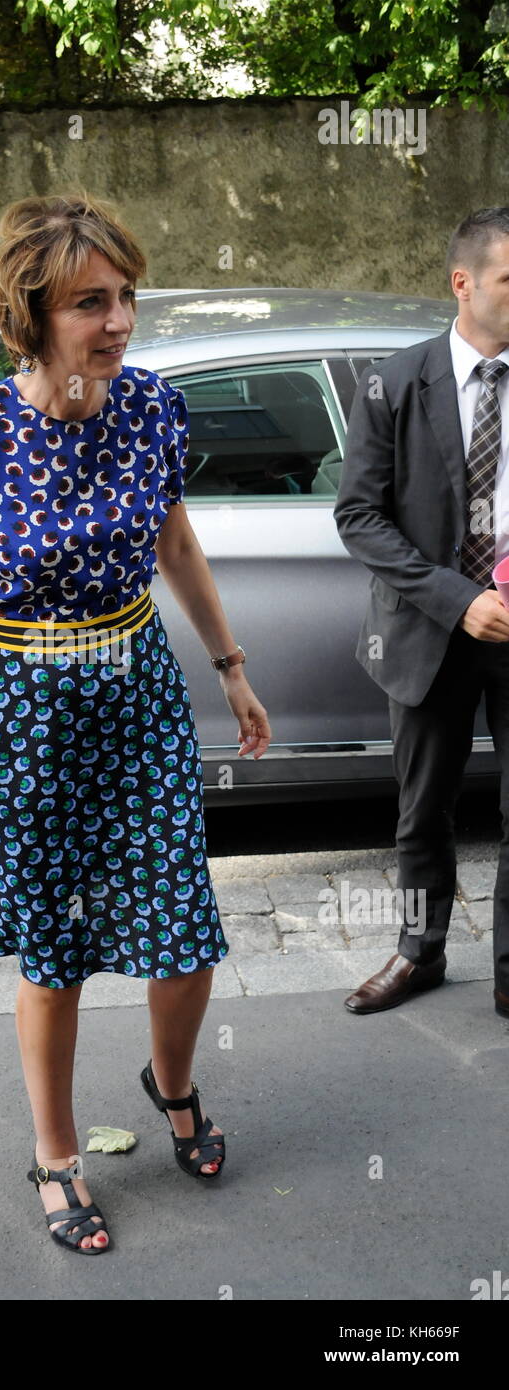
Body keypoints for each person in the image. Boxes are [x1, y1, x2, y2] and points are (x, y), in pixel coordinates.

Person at [0, 191, 271, 1255]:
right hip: (20, 714)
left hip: (138, 693)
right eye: (88, 303)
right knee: (52, 951)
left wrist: (231, 667)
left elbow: (178, 549)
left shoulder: (150, 409)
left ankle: (172, 1083)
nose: (116, 323)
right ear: (30, 314)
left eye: (125, 299)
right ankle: (55, 1153)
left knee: (181, 927)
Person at [334, 206, 509, 1019]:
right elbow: (359, 517)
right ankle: (417, 953)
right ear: (462, 283)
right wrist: (459, 599)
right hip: (428, 629)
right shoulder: (394, 382)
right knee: (422, 812)